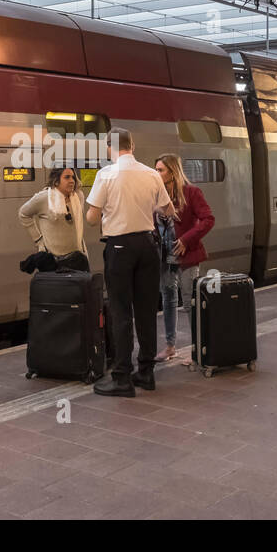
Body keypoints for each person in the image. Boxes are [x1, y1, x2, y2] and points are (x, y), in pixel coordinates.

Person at [85, 128, 173, 397]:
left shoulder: (106, 174)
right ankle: (146, 373)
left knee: (121, 312)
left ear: (108, 147)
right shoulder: (150, 173)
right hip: (148, 245)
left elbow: (91, 217)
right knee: (146, 310)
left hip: (120, 247)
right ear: (132, 146)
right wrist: (143, 209)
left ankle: (122, 376)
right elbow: (168, 210)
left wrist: (110, 212)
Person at [153, 154, 215, 362]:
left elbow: (208, 219)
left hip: (187, 254)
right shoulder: (156, 195)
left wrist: (187, 240)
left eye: (160, 170)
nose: (157, 173)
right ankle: (170, 346)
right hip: (164, 257)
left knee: (189, 302)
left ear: (172, 171)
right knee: (168, 300)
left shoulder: (191, 192)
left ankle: (198, 348)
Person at [18, 167, 89, 272]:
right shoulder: (44, 198)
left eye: (73, 177)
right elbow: (23, 214)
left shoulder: (78, 196)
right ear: (56, 181)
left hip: (78, 258)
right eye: (67, 177)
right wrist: (38, 239)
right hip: (53, 261)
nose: (72, 181)